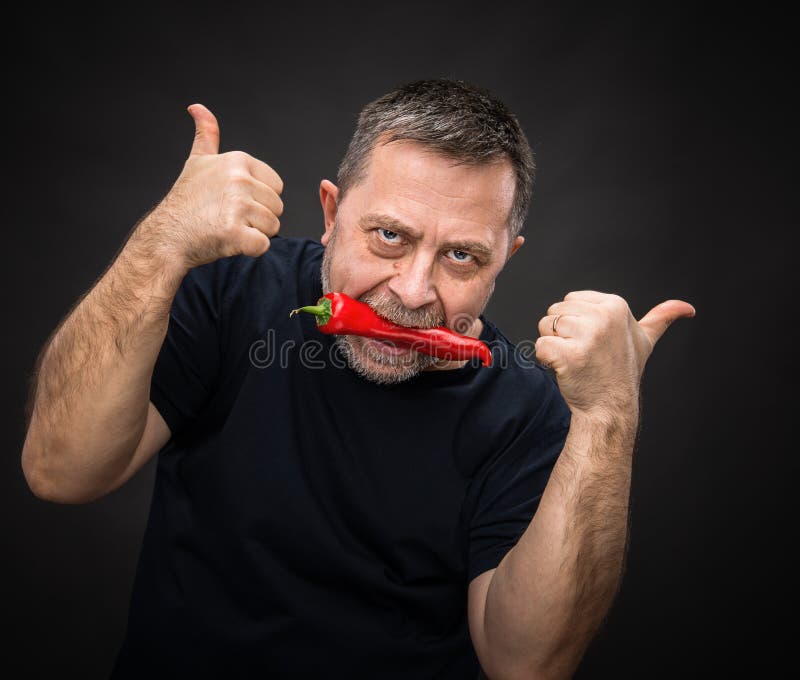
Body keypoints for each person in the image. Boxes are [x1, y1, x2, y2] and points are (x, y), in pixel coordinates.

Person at [21, 79, 694, 679]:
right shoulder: (230, 291)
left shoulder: (530, 409)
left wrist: (608, 417)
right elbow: (61, 471)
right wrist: (160, 243)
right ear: (331, 213)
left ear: (504, 261)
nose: (413, 289)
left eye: (462, 255)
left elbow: (528, 666)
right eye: (389, 237)